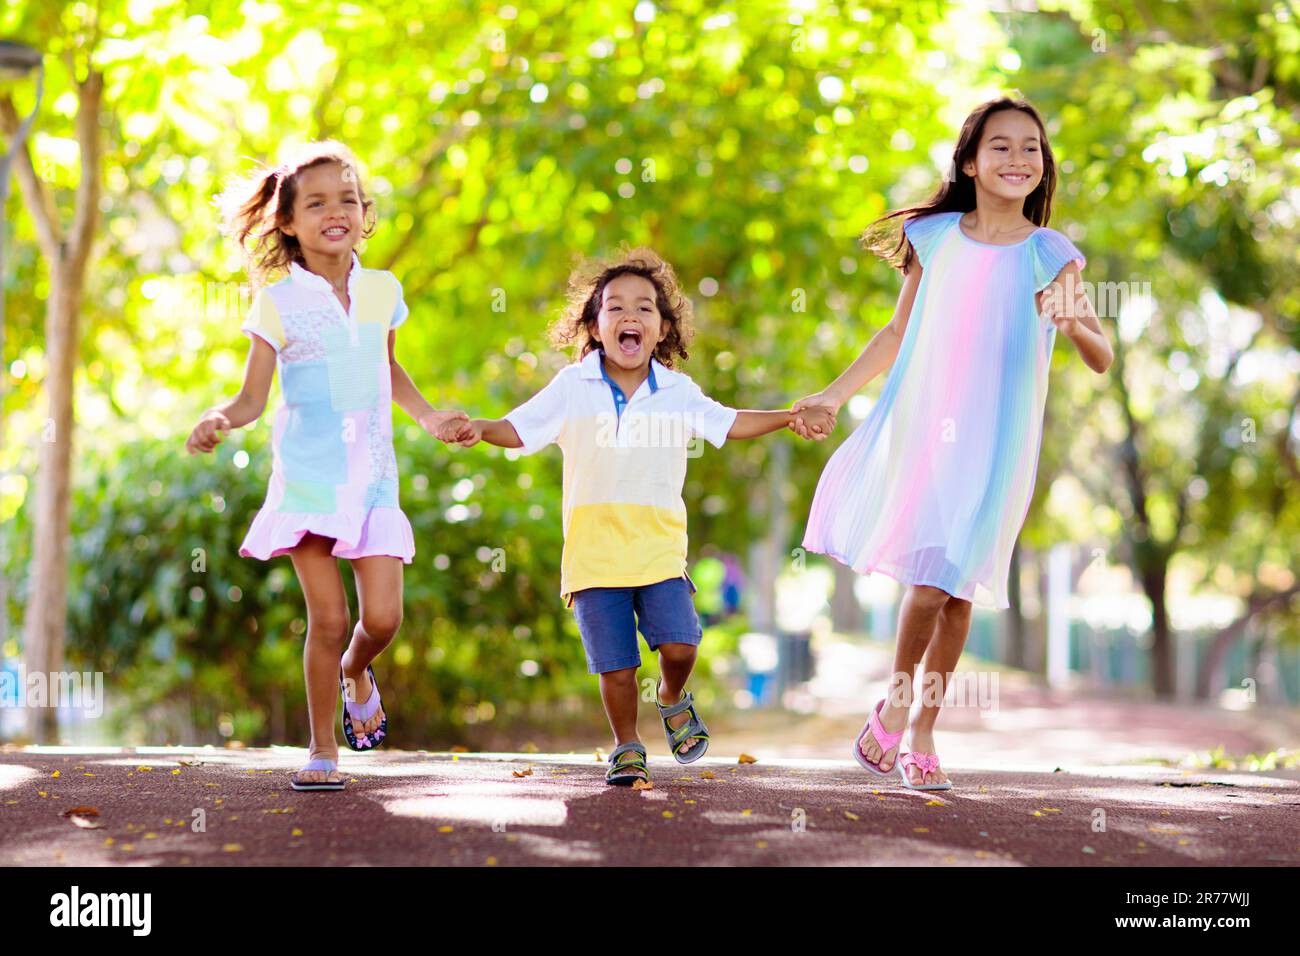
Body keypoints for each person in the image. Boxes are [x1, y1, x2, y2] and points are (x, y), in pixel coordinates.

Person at [791, 97, 1112, 791]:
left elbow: (1100, 354)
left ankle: (920, 722)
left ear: (1043, 165)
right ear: (970, 161)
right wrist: (834, 395)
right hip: (931, 426)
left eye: (1031, 147)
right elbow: (896, 335)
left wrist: (1075, 322)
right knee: (935, 575)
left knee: (957, 593)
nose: (1018, 158)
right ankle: (904, 703)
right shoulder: (934, 238)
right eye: (1001, 146)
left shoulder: (1052, 253)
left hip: (1002, 438)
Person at [442, 247, 834, 786]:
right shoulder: (571, 387)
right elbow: (519, 428)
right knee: (617, 667)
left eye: (645, 308)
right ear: (595, 325)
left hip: (658, 548)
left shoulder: (676, 391)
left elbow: (728, 422)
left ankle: (672, 697)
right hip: (592, 552)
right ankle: (627, 744)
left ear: (663, 328)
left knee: (681, 642)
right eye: (615, 308)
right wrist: (479, 428)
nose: (631, 316)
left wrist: (789, 417)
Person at [185, 141, 466, 791]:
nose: (336, 211)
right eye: (316, 203)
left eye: (348, 198)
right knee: (329, 618)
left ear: (364, 213)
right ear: (287, 222)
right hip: (308, 479)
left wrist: (429, 418)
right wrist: (219, 419)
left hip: (372, 477)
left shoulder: (382, 290)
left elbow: (388, 369)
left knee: (383, 620)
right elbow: (252, 398)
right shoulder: (277, 304)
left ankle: (355, 671)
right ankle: (321, 749)